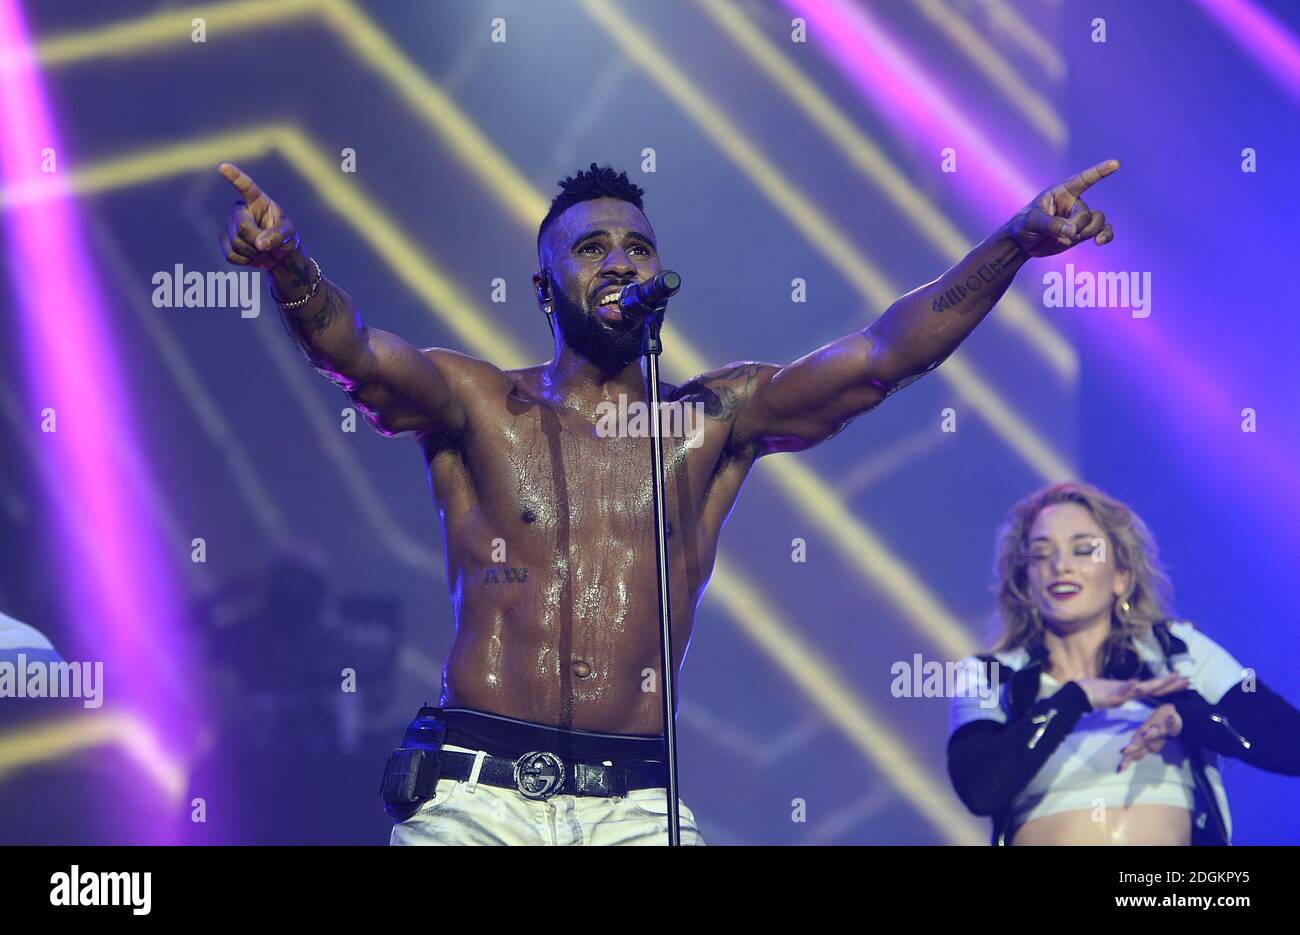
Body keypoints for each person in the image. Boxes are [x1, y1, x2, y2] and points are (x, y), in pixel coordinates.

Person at [217, 156, 1120, 845]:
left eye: (637, 246)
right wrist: (289, 265)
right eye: (591, 248)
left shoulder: (713, 419)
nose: (619, 260)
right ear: (543, 288)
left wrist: (1015, 243)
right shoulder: (478, 404)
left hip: (636, 805)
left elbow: (887, 354)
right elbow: (358, 353)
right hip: (476, 798)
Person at [947, 482, 1300, 845]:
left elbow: (1291, 741)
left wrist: (1186, 718)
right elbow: (979, 788)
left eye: (1084, 550)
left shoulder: (1176, 649)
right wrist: (1074, 699)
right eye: (1040, 555)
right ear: (1025, 580)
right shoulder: (989, 674)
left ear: (1121, 576)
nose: (1060, 566)